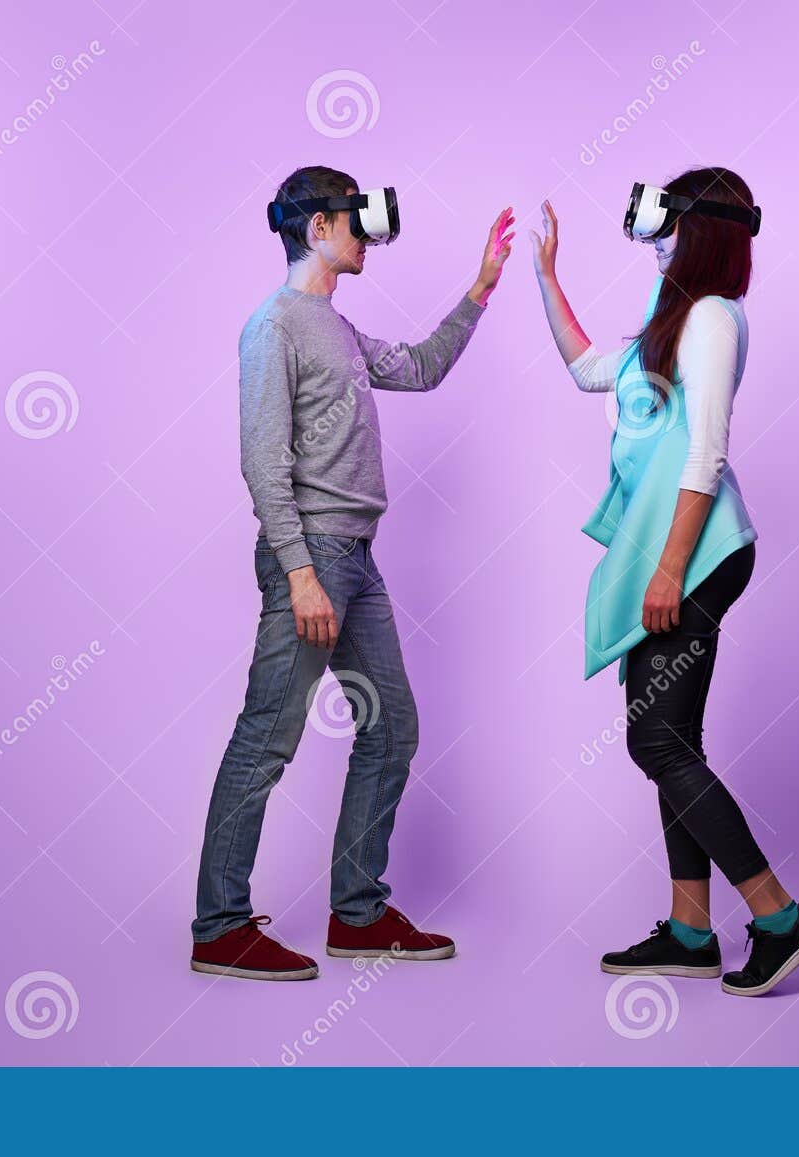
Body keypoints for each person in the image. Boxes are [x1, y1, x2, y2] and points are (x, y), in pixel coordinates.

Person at [191, 165, 514, 980]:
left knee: (391, 726)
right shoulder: (274, 327)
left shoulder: (335, 326)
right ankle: (219, 926)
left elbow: (420, 366)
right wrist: (299, 572)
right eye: (353, 221)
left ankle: (358, 912)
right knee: (267, 738)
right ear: (316, 230)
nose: (366, 234)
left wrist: (479, 287)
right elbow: (263, 462)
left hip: (356, 562)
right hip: (315, 559)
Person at [531, 167, 799, 996]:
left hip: (697, 552)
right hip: (676, 549)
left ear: (700, 232)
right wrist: (549, 278)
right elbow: (590, 367)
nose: (653, 239)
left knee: (652, 740)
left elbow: (707, 450)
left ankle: (778, 917)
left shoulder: (711, 320)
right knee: (675, 744)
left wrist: (668, 568)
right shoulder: (672, 325)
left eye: (668, 224)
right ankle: (692, 930)